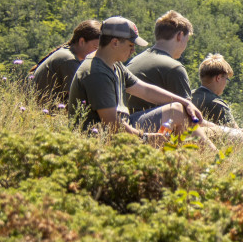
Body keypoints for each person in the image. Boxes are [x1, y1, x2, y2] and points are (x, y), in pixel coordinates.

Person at [67, 16, 216, 149]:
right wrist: (146, 138)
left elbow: (143, 89)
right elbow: (111, 124)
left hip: (124, 124)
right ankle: (213, 160)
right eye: (131, 45)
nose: (133, 51)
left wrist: (184, 102)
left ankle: (206, 159)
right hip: (99, 138)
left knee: (177, 109)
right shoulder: (97, 73)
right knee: (176, 114)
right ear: (115, 43)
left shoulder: (112, 62)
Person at [126, 10, 194, 113]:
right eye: (187, 40)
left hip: (123, 123)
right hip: (152, 128)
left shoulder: (134, 61)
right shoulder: (174, 68)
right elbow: (189, 116)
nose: (186, 45)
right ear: (179, 35)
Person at [30, 20, 101, 104]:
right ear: (82, 41)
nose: (98, 53)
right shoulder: (69, 60)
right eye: (96, 47)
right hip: (46, 113)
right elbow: (80, 100)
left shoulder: (67, 53)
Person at [191, 53, 237, 126]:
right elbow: (236, 134)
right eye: (226, 79)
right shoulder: (217, 104)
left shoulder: (188, 96)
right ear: (218, 78)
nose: (225, 84)